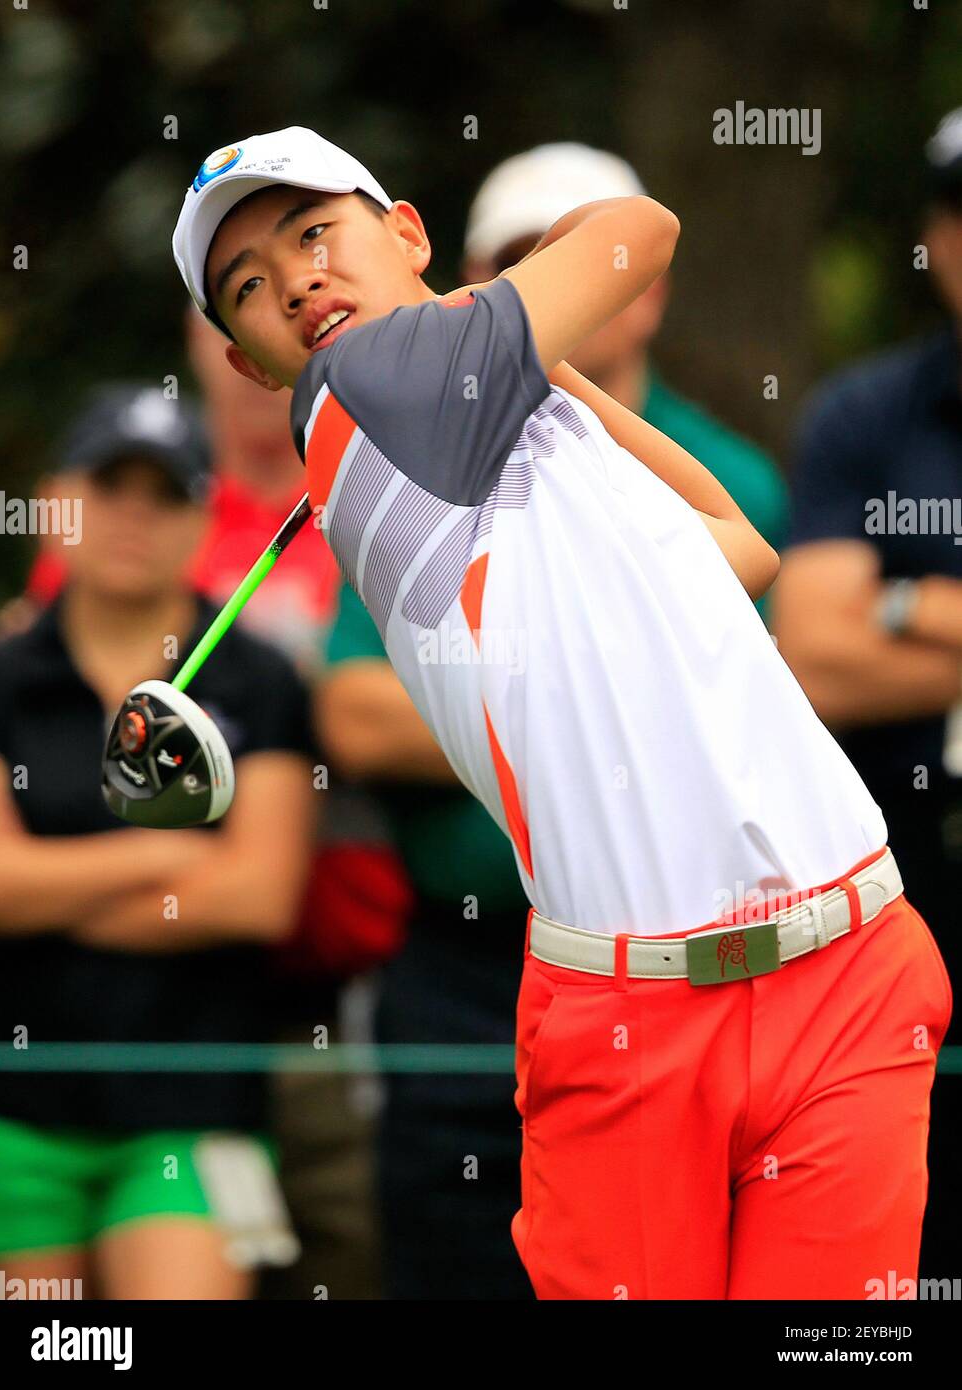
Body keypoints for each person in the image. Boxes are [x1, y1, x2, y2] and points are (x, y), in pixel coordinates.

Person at [171, 125, 951, 1300]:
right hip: (633, 1020)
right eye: (250, 288)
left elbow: (737, 552)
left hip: (846, 963)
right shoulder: (362, 387)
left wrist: (550, 368)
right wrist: (501, 313)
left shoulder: (522, 416)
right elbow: (641, 232)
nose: (296, 283)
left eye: (314, 233)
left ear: (406, 231)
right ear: (252, 364)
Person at [317, 141, 788, 1300]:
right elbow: (357, 716)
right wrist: (580, 700)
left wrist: (530, 696)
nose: (539, 289)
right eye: (512, 266)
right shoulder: (373, 466)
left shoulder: (723, 467)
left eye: (556, 258)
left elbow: (738, 637)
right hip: (463, 962)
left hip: (698, 962)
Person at [0, 384, 314, 1298]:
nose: (133, 515)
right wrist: (167, 856)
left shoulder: (258, 679)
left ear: (204, 516)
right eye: (107, 486)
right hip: (10, 1106)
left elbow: (259, 897)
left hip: (193, 1107)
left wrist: (43, 889)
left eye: (165, 493)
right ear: (56, 500)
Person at [773, 106, 962, 1278]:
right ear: (936, 239)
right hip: (908, 897)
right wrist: (874, 617)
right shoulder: (865, 412)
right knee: (898, 1258)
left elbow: (852, 622)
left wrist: (902, 598)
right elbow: (813, 656)